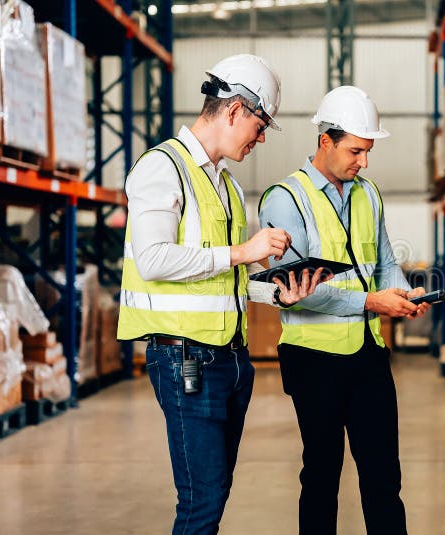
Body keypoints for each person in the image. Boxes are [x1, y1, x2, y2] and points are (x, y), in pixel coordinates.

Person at [117, 54, 327, 535]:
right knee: (202, 500)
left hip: (230, 360)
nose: (261, 138)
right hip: (185, 360)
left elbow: (228, 278)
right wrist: (243, 251)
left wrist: (280, 295)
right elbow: (153, 259)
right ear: (234, 110)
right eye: (260, 125)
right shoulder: (162, 168)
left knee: (215, 492)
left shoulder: (226, 185)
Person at [258, 85, 431, 535]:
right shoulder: (285, 198)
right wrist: (372, 302)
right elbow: (296, 288)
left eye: (368, 151)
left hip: (368, 355)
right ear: (325, 141)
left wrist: (404, 295)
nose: (364, 162)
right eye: (356, 151)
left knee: (384, 478)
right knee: (321, 475)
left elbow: (385, 262)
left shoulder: (367, 193)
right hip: (313, 358)